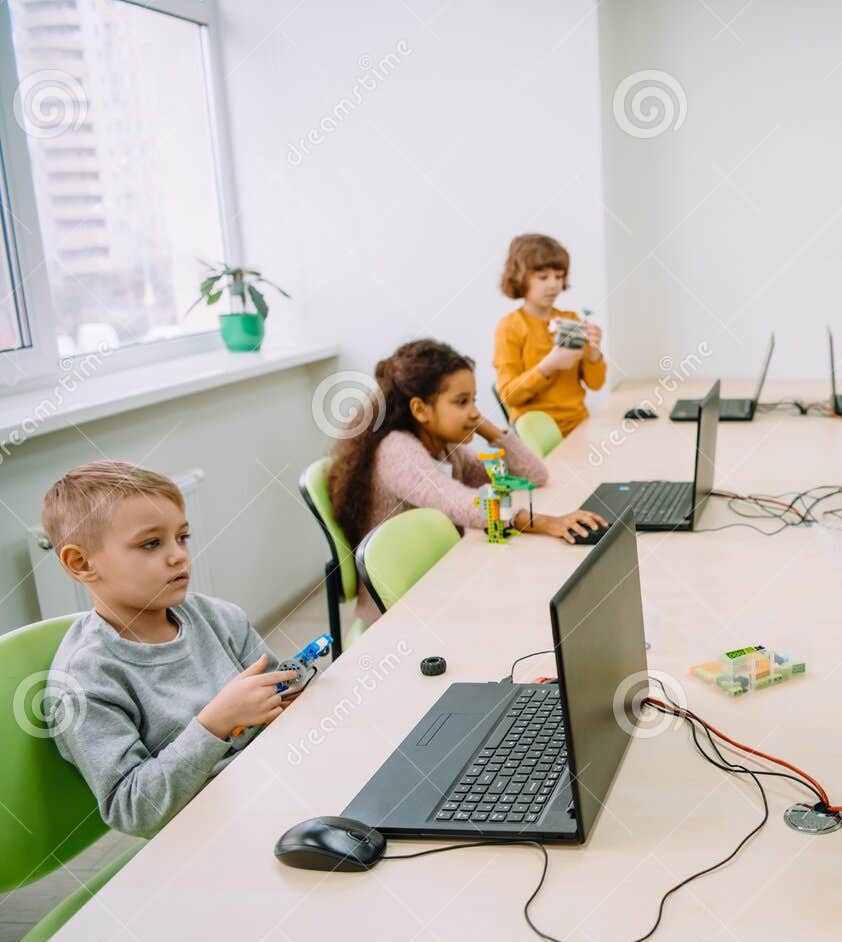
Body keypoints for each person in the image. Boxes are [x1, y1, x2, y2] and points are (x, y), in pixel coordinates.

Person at [42, 462, 295, 837]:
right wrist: (214, 724)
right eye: (151, 544)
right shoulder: (83, 681)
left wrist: (290, 696)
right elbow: (135, 810)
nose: (179, 556)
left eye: (182, 537)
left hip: (274, 789)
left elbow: (281, 710)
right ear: (81, 563)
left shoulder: (220, 617)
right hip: (201, 836)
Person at [327, 339, 603, 623]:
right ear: (420, 409)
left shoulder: (445, 447)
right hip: (402, 609)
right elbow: (465, 504)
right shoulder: (398, 451)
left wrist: (490, 431)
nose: (474, 412)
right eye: (461, 402)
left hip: (444, 577)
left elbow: (532, 475)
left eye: (474, 400)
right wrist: (546, 523)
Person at [493, 233, 606, 435]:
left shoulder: (572, 320)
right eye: (543, 277)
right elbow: (509, 396)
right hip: (537, 433)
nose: (553, 285)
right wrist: (548, 366)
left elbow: (596, 384)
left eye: (559, 276)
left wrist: (594, 353)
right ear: (520, 278)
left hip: (578, 424)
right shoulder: (509, 327)